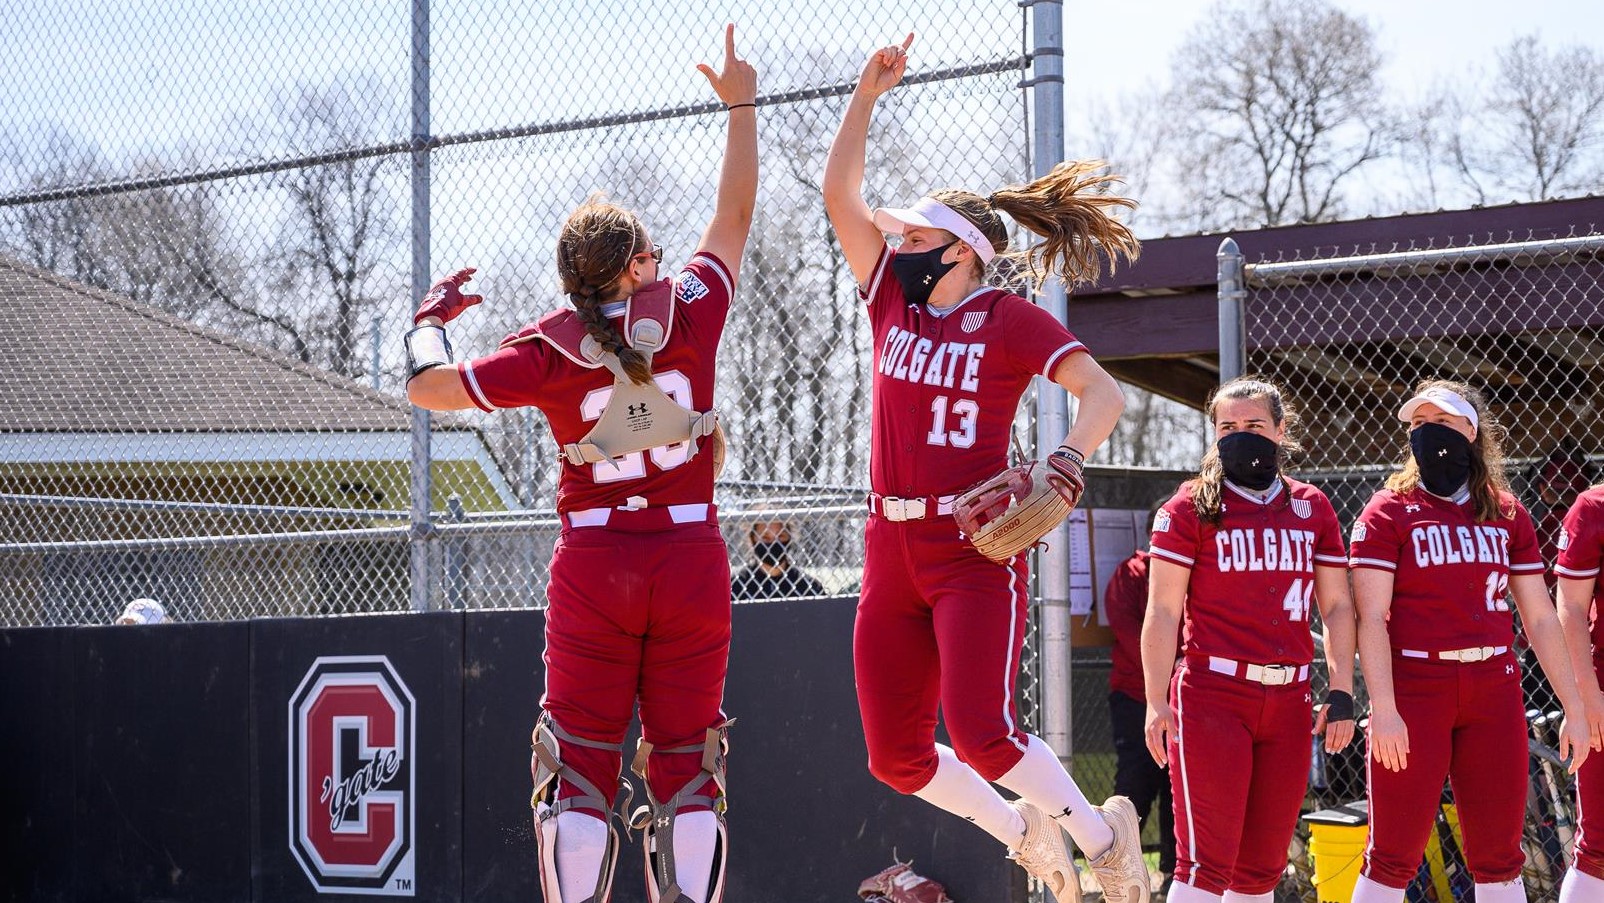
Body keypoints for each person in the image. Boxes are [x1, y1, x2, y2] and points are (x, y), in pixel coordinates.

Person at [405, 25, 756, 903]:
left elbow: (429, 388)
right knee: (688, 765)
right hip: (688, 558)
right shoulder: (693, 311)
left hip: (596, 563)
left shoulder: (550, 349)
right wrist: (742, 107)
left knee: (582, 765)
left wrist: (429, 316)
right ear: (637, 264)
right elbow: (737, 217)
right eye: (652, 254)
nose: (663, 262)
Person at [823, 33, 1149, 903]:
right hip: (889, 548)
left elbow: (1103, 394)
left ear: (961, 248)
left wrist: (1067, 458)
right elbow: (838, 195)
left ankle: (1100, 835)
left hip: (971, 550)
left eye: (920, 233)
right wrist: (867, 96)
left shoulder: (1007, 318)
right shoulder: (892, 297)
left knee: (981, 734)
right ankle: (1024, 834)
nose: (903, 241)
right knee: (894, 755)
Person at [1347, 380, 1591, 903]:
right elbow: (1371, 618)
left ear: (1471, 431)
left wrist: (1573, 703)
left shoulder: (1505, 511)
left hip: (1494, 686)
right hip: (1416, 687)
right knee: (1392, 852)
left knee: (1500, 857)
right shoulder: (1388, 510)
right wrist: (1383, 707)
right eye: (1417, 424)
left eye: (1442, 421)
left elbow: (1542, 618)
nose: (1426, 433)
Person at [1140, 378, 1357, 903]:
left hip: (1290, 697)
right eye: (1227, 427)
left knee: (1262, 867)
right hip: (1214, 693)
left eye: (1254, 425)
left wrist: (1343, 691)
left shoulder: (1312, 506)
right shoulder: (1190, 506)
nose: (1241, 435)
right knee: (1204, 864)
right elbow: (1163, 610)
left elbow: (1336, 606)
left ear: (1281, 432)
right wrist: (1153, 702)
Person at [1102, 500, 1177, 896]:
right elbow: (1133, 636)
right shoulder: (1131, 573)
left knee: (1177, 788)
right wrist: (1168, 671)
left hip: (1183, 701)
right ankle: (1118, 869)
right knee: (1136, 781)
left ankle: (1171, 873)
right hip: (1136, 696)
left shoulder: (1192, 573)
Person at [1552, 476, 1604, 903]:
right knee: (1599, 847)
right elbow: (1568, 606)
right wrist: (1587, 695)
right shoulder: (1593, 506)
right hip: (1602, 686)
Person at [730, 514, 828, 600]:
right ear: (752, 539)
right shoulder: (734, 585)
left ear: (789, 538)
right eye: (765, 537)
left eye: (781, 536)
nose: (773, 543)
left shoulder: (808, 586)